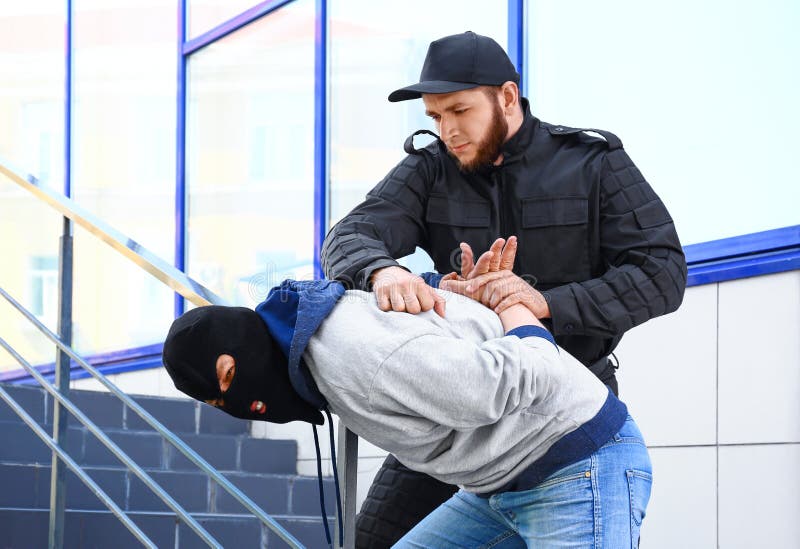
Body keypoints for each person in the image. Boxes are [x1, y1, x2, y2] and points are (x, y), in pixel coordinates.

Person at [320, 30, 686, 545]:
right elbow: (350, 235)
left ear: (507, 96)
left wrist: (543, 306)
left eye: (459, 111)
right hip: (461, 407)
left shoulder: (592, 163)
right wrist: (387, 272)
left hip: (567, 411)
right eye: (435, 117)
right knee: (372, 541)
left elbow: (662, 273)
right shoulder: (429, 170)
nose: (448, 129)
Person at [162, 238, 652, 548]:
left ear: (238, 353)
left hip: (575, 464)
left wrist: (514, 303)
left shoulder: (354, 356)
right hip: (500, 486)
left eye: (229, 380)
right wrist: (457, 293)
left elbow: (520, 376)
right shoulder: (313, 342)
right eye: (216, 402)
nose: (240, 404)